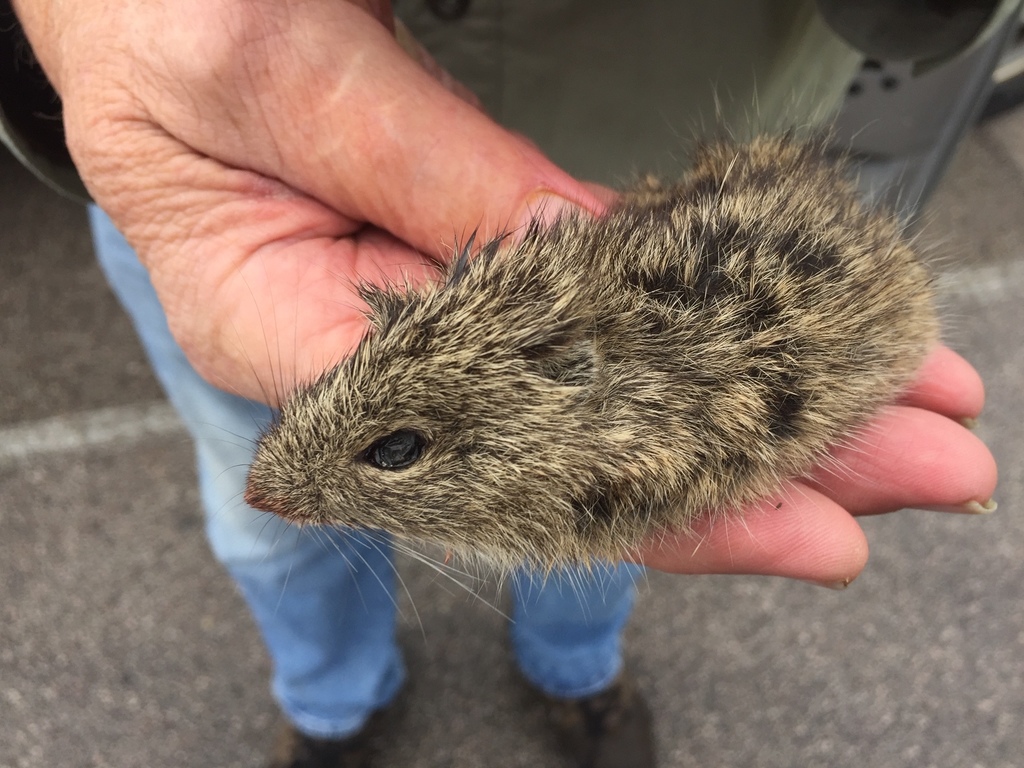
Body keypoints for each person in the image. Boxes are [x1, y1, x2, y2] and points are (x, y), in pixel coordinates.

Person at [3, 1, 1000, 766]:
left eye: (398, 448)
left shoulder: (616, 459)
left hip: (637, 111)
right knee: (260, 519)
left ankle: (574, 676)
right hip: (250, 179)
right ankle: (332, 706)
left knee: (612, 555)